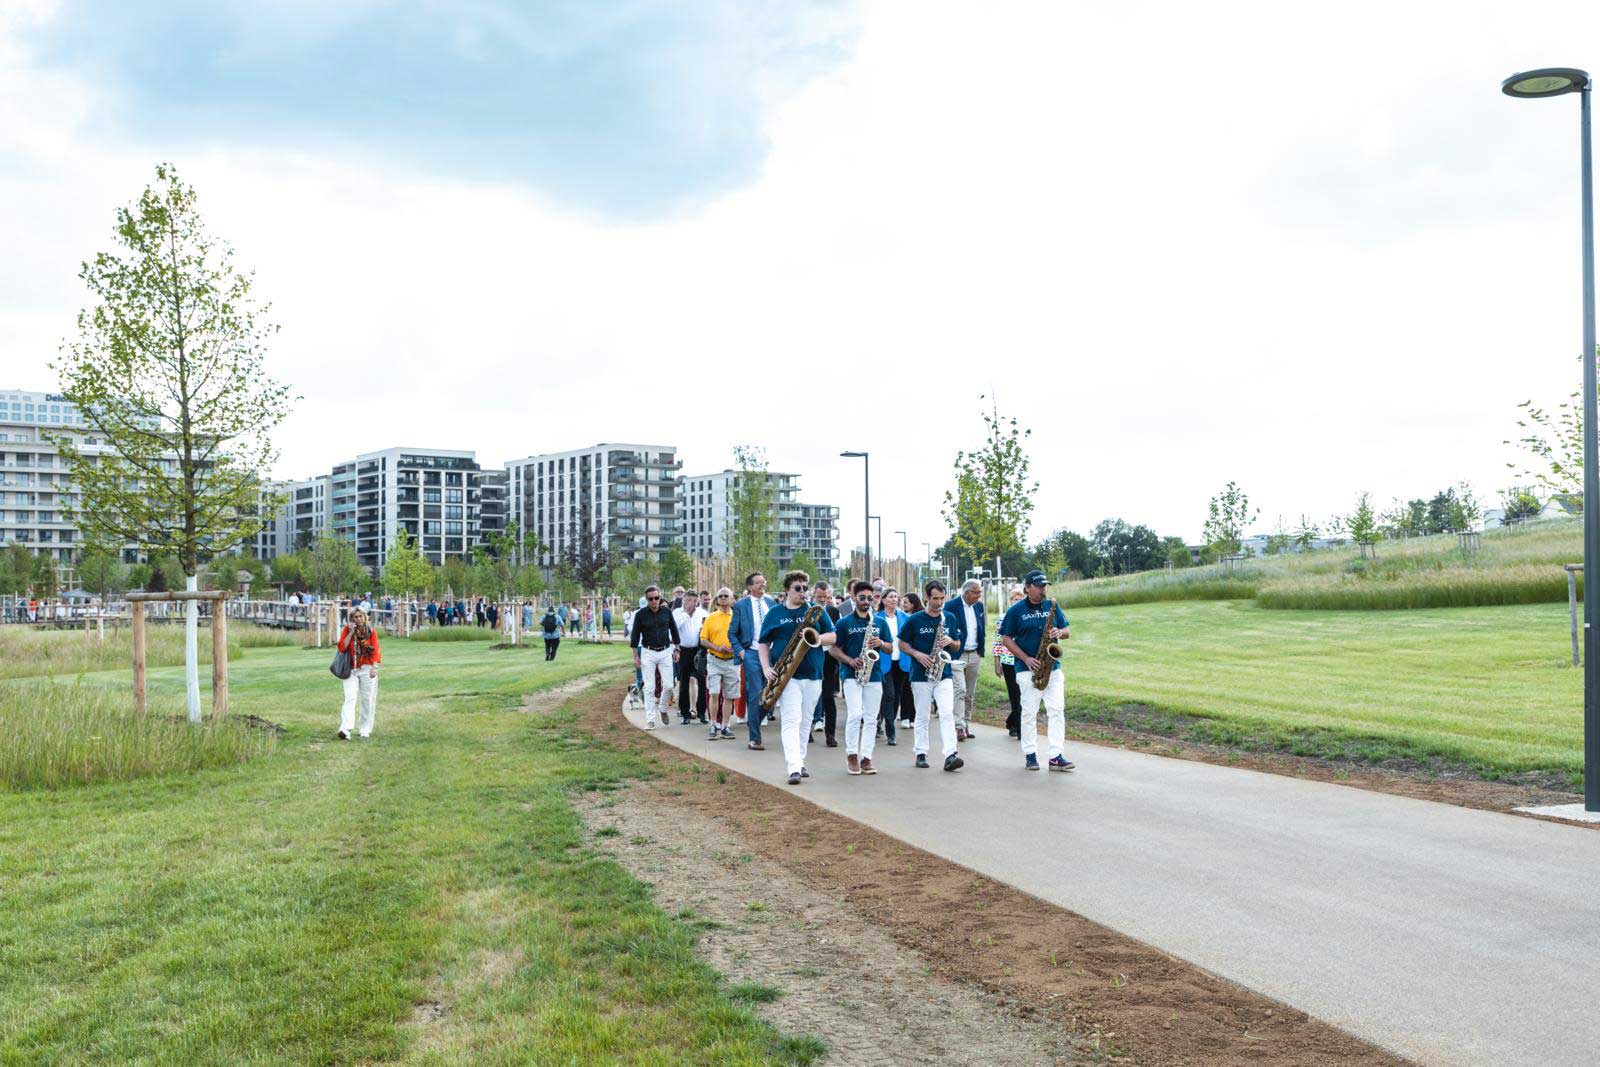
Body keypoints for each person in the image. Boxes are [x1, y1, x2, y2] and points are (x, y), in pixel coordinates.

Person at [757, 570, 836, 785]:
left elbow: (833, 635)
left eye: (804, 588)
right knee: (791, 719)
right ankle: (793, 766)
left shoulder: (816, 611)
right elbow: (763, 643)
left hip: (813, 673)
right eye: (797, 588)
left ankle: (800, 761)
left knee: (806, 719)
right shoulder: (774, 613)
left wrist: (818, 638)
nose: (802, 592)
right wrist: (766, 668)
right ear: (787, 590)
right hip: (787, 674)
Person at [998, 570, 1073, 771]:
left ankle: (1056, 755)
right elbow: (1005, 638)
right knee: (1029, 712)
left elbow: (1067, 631)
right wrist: (1026, 658)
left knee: (1057, 710)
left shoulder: (1052, 606)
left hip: (1053, 667)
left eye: (1045, 586)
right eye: (1039, 586)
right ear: (1028, 587)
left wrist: (1060, 632)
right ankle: (1030, 754)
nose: (1043, 589)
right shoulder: (1016, 611)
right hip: (1026, 668)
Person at [899, 580, 964, 772]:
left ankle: (951, 754)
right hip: (920, 673)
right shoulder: (915, 619)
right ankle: (921, 753)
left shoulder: (949, 618)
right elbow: (902, 644)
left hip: (943, 673)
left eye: (942, 598)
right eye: (935, 598)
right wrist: (917, 654)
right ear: (926, 597)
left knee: (946, 713)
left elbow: (958, 645)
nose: (939, 602)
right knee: (922, 715)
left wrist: (951, 641)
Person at [831, 580, 893, 775]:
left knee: (871, 718)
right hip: (851, 674)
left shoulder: (880, 622)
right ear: (854, 598)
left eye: (870, 598)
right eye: (862, 598)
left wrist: (881, 643)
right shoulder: (843, 622)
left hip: (874, 674)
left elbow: (891, 648)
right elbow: (833, 649)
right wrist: (849, 660)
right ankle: (851, 755)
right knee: (855, 714)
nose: (867, 601)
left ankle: (866, 757)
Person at [728, 571, 776, 750]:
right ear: (750, 587)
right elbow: (732, 633)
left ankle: (754, 720)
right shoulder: (741, 605)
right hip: (752, 654)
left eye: (764, 582)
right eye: (758, 582)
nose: (762, 584)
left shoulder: (771, 603)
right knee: (755, 692)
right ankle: (755, 738)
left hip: (772, 654)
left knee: (772, 693)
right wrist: (741, 653)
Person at [631, 585, 680, 730]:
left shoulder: (666, 612)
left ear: (660, 597)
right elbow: (634, 636)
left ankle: (663, 708)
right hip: (648, 652)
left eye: (656, 598)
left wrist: (677, 649)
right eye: (651, 599)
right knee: (649, 688)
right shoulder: (641, 615)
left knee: (669, 685)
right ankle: (650, 720)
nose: (654, 601)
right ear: (646, 600)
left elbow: (674, 630)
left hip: (665, 651)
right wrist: (635, 656)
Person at [946, 578, 987, 741]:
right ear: (967, 592)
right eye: (976, 593)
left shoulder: (979, 606)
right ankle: (958, 726)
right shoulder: (951, 606)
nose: (979, 596)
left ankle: (966, 723)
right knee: (960, 690)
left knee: (970, 693)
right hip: (957, 654)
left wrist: (980, 650)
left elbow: (981, 627)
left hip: (974, 653)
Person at [335, 607, 381, 740]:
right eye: (355, 617)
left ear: (364, 617)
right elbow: (342, 647)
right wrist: (350, 632)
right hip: (351, 669)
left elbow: (375, 650)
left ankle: (365, 729)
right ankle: (346, 728)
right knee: (350, 697)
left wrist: (374, 667)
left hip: (367, 668)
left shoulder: (371, 631)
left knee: (367, 699)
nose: (358, 619)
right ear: (352, 619)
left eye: (360, 616)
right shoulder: (347, 630)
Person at [699, 588, 739, 739]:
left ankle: (725, 726)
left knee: (729, 695)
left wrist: (736, 649)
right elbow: (703, 639)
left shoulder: (737, 617)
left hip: (732, 662)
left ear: (732, 599)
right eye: (720, 596)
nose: (722, 598)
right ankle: (713, 725)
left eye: (725, 596)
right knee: (714, 693)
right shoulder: (711, 617)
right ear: (716, 599)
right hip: (714, 660)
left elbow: (743, 638)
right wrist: (717, 647)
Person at [808, 582, 843, 746]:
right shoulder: (807, 610)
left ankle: (830, 734)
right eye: (819, 596)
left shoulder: (834, 611)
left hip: (829, 657)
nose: (822, 600)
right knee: (810, 696)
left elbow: (838, 634)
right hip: (811, 657)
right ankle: (807, 729)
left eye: (826, 597)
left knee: (828, 696)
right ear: (813, 595)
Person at [673, 589, 708, 724]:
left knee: (702, 681)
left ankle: (701, 712)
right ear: (684, 600)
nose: (691, 603)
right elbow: (674, 629)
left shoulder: (702, 613)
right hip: (683, 650)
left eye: (694, 601)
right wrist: (687, 613)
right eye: (688, 600)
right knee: (684, 682)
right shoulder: (677, 613)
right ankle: (685, 713)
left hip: (699, 650)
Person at [874, 588, 904, 746]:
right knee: (889, 695)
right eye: (890, 597)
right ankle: (890, 731)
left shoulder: (904, 617)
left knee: (896, 695)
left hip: (900, 661)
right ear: (883, 600)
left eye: (896, 596)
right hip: (883, 661)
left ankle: (879, 719)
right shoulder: (876, 618)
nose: (894, 599)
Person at [996, 588, 1026, 737]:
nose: (1017, 602)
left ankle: (1012, 722)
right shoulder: (1004, 617)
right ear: (1010, 601)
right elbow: (998, 641)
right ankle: (1019, 728)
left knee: (1023, 693)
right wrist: (997, 662)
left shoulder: (1026, 616)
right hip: (1008, 660)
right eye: (1015, 599)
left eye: (1020, 599)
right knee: (1014, 693)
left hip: (1023, 660)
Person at [896, 591, 923, 727]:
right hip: (905, 656)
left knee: (915, 688)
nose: (902, 604)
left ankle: (914, 716)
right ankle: (905, 715)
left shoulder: (920, 618)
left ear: (913, 604)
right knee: (905, 687)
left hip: (917, 656)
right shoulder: (902, 617)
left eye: (906, 602)